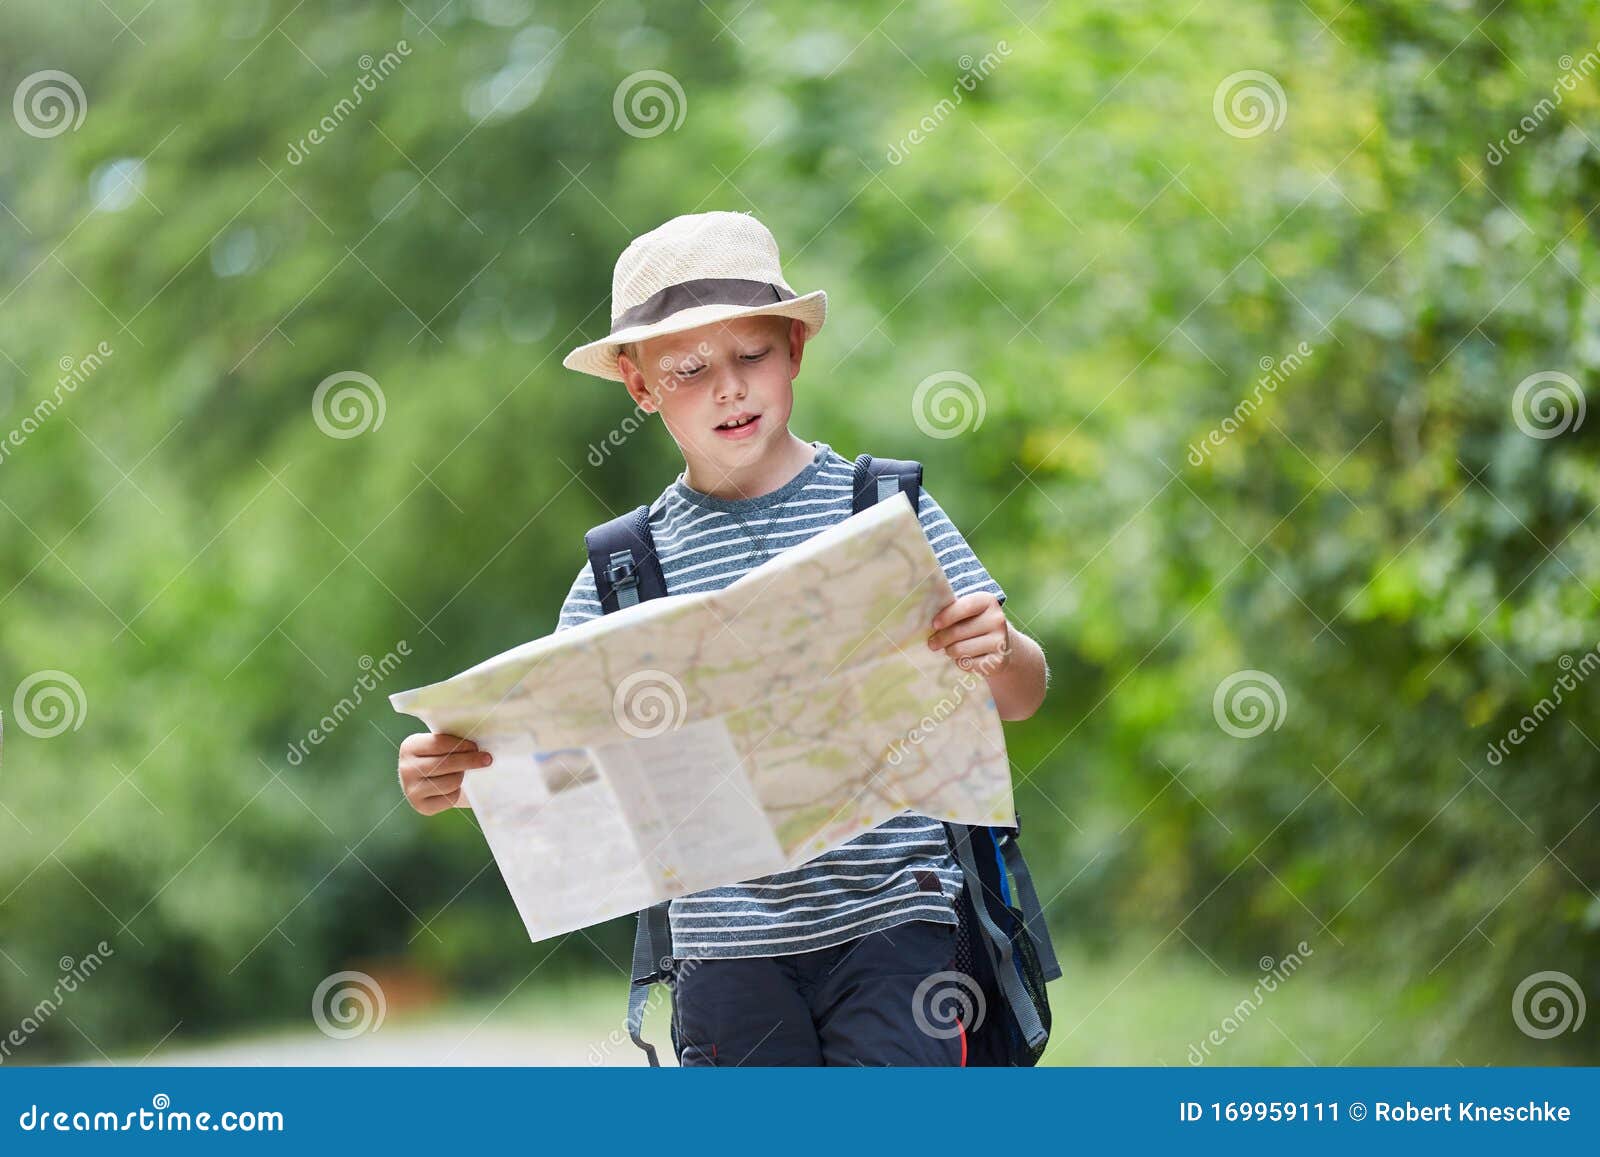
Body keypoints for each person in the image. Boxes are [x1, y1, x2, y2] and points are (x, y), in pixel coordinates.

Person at [397, 210, 1049, 1065]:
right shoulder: (623, 569)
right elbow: (554, 758)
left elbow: (1023, 694)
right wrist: (451, 770)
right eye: (690, 371)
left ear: (794, 352)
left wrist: (998, 648)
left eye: (751, 357)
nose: (729, 389)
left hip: (900, 921)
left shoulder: (882, 508)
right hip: (723, 950)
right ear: (641, 388)